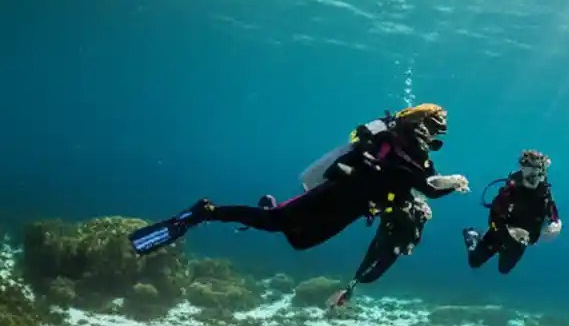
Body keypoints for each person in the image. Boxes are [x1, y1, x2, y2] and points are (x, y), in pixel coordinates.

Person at [129, 103, 470, 258]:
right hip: (338, 192)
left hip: (356, 209)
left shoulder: (423, 160)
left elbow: (429, 188)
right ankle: (204, 211)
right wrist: (365, 159)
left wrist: (451, 183)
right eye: (429, 127)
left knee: (301, 243)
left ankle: (268, 207)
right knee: (275, 223)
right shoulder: (386, 138)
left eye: (437, 132)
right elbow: (356, 147)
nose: (431, 136)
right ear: (414, 121)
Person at [462, 150, 562, 274]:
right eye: (529, 167)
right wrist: (505, 231)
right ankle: (473, 235)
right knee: (474, 261)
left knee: (504, 269)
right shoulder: (512, 189)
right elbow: (494, 213)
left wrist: (554, 227)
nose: (533, 174)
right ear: (522, 168)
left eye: (536, 168)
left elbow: (554, 216)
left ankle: (503, 248)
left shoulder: (544, 193)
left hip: (521, 240)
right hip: (499, 232)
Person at [328, 194, 432, 309]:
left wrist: (408, 246)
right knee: (368, 266)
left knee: (373, 270)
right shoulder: (392, 201)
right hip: (385, 240)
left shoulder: (417, 212)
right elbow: (379, 209)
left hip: (392, 245)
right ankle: (351, 286)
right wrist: (373, 211)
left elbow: (417, 232)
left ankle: (352, 286)